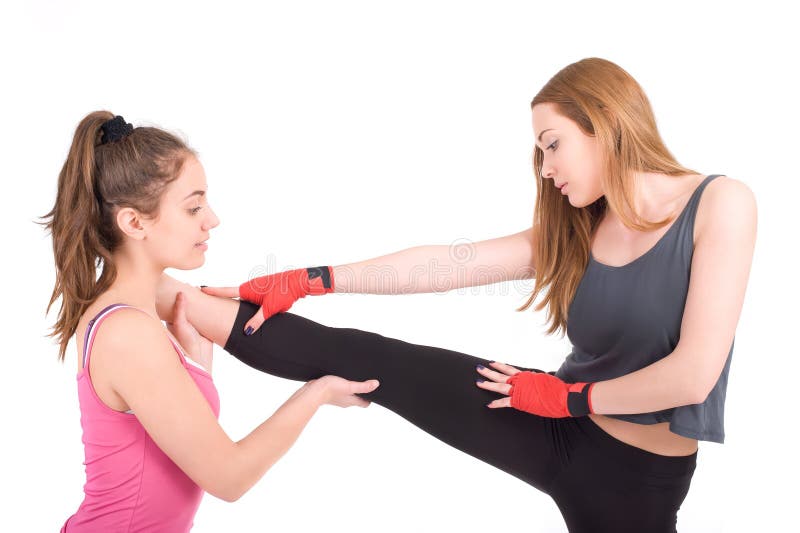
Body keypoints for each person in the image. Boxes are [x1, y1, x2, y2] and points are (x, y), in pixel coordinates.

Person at [163, 57, 757, 532]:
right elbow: (447, 265)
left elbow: (692, 376)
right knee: (368, 356)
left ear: (603, 121)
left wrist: (569, 399)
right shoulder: (578, 226)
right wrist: (311, 279)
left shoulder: (720, 204)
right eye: (539, 151)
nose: (545, 167)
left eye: (553, 144)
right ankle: (167, 295)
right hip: (543, 416)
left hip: (634, 478)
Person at [40, 111, 379, 532]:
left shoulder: (133, 307)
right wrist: (318, 393)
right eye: (193, 207)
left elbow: (169, 449)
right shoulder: (127, 332)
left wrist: (198, 368)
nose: (211, 219)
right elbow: (229, 477)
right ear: (133, 222)